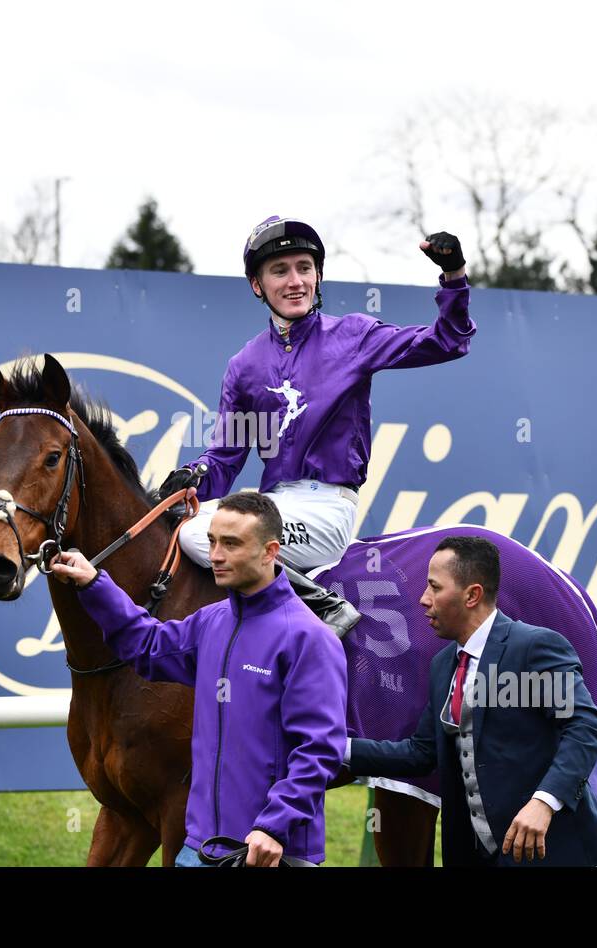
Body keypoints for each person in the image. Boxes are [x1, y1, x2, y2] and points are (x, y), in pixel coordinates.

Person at [156, 216, 475, 639]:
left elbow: (449, 340)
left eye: (304, 268)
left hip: (327, 510)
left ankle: (324, 606)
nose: (295, 282)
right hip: (272, 506)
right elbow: (225, 459)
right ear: (257, 285)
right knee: (179, 527)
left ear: (318, 275)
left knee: (203, 535)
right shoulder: (244, 365)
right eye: (279, 271)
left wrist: (453, 275)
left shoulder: (353, 336)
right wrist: (195, 475)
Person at [50, 491, 347, 866]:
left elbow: (320, 750)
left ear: (271, 551)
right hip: (199, 851)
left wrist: (275, 826)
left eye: (232, 544)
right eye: (211, 541)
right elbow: (148, 646)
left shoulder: (310, 639)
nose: (216, 556)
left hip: (272, 852)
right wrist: (95, 585)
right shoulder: (212, 622)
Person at [346, 536, 597, 866]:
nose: (423, 600)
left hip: (562, 856)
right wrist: (336, 747)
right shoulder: (443, 665)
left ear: (472, 595)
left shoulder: (537, 647)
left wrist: (544, 802)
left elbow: (585, 727)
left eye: (434, 587)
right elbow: (420, 753)